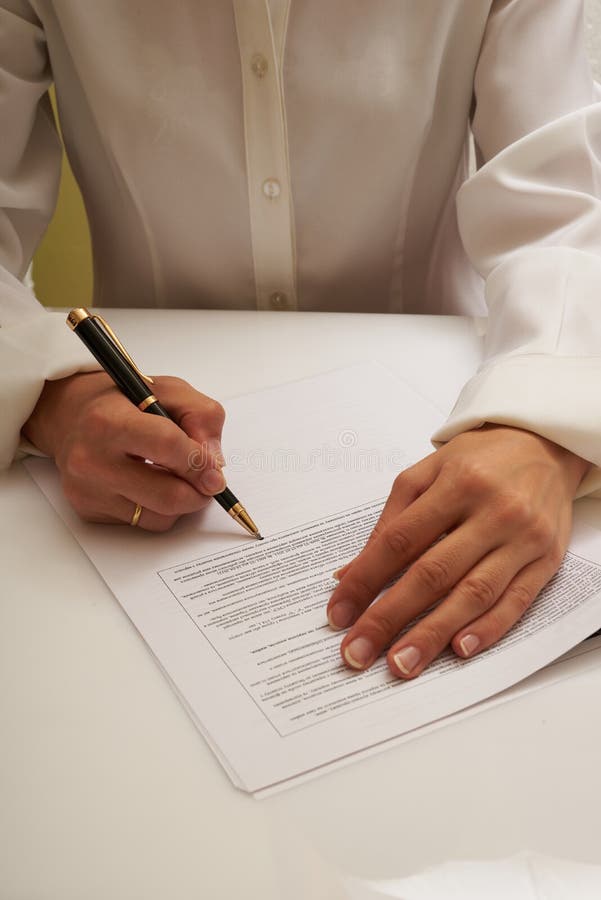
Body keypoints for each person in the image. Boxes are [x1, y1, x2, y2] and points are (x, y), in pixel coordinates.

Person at [2, 1, 601, 680]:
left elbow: (565, 200)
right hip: (132, 422)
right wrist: (49, 394)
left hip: (457, 403)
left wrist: (540, 426)